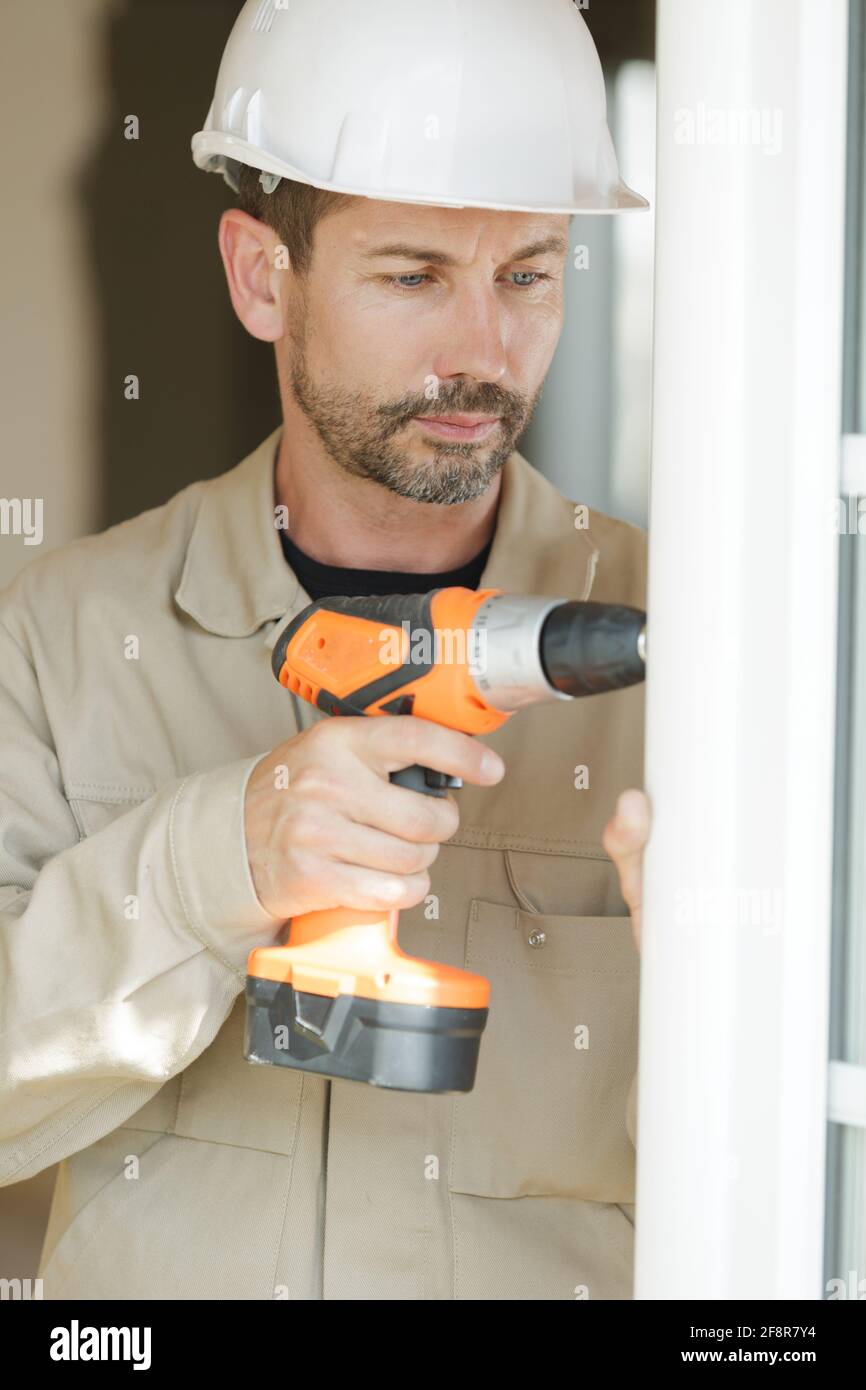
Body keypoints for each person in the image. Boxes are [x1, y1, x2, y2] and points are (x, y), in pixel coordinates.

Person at [0, 0, 651, 1300]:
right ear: (259, 277)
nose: (483, 350)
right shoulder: (61, 638)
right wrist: (212, 860)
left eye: (526, 273)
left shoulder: (682, 651)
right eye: (412, 274)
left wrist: (734, 970)